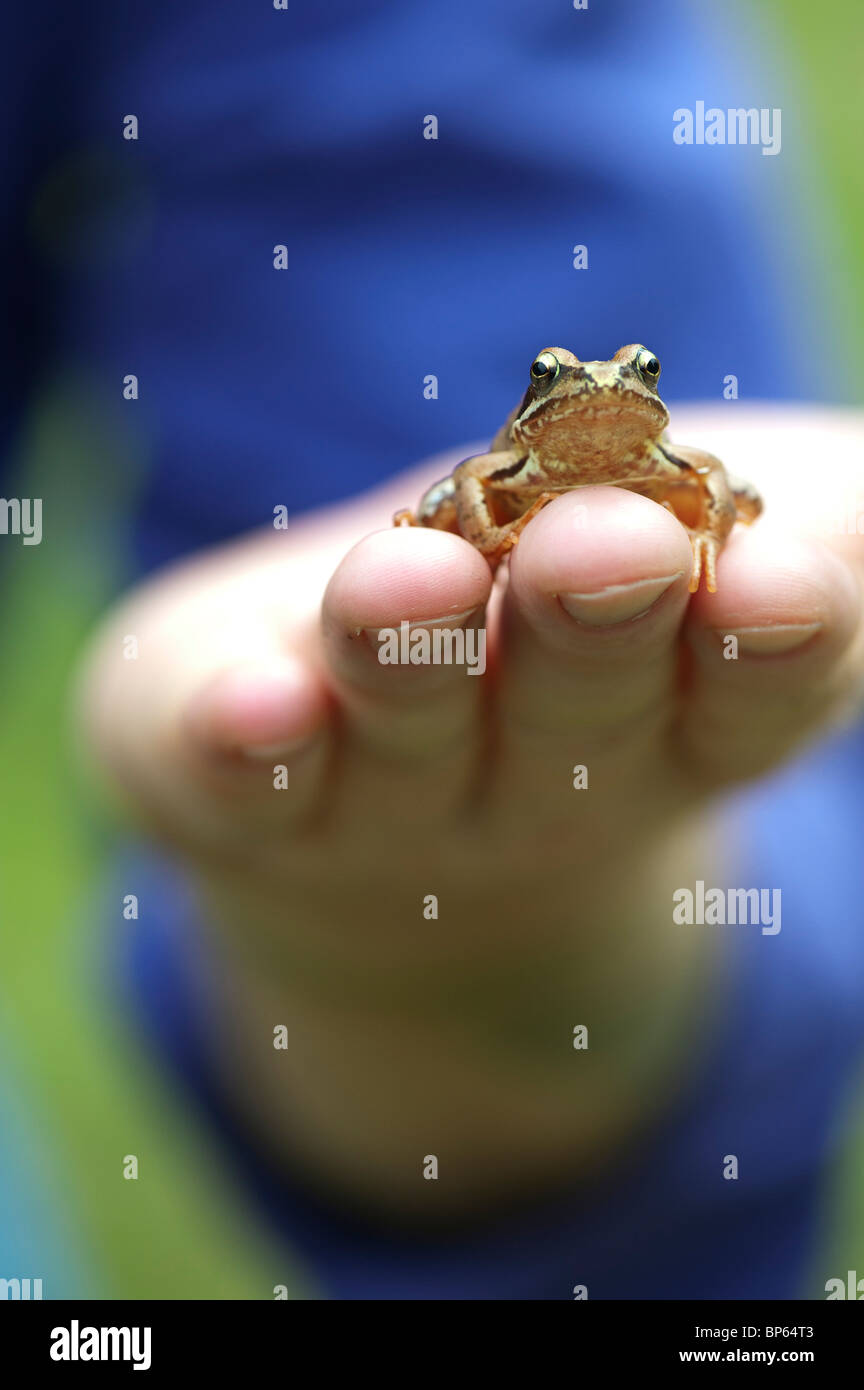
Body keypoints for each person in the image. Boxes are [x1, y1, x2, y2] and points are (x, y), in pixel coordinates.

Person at [7, 1, 864, 1298]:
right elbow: (462, 502)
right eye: (569, 371)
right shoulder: (515, 463)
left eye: (624, 369)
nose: (600, 385)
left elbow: (713, 488)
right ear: (539, 393)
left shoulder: (656, 452)